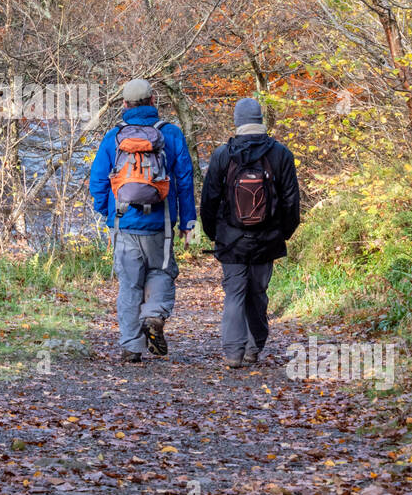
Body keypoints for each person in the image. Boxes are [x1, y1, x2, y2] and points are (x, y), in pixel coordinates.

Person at [88, 79, 196, 363]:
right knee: (161, 272)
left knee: (129, 285)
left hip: (124, 223)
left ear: (124, 105)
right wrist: (188, 223)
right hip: (160, 225)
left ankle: (131, 347)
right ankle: (153, 316)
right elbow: (184, 181)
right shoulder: (171, 134)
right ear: (153, 101)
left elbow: (98, 181)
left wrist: (107, 213)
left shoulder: (114, 137)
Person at [200, 98, 301, 368]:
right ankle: (254, 347)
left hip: (231, 238)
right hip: (267, 237)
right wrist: (284, 233)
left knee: (234, 292)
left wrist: (214, 233)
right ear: (259, 120)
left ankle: (233, 353)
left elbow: (209, 199)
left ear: (237, 121)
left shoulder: (223, 154)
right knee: (257, 292)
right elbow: (292, 201)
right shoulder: (281, 154)